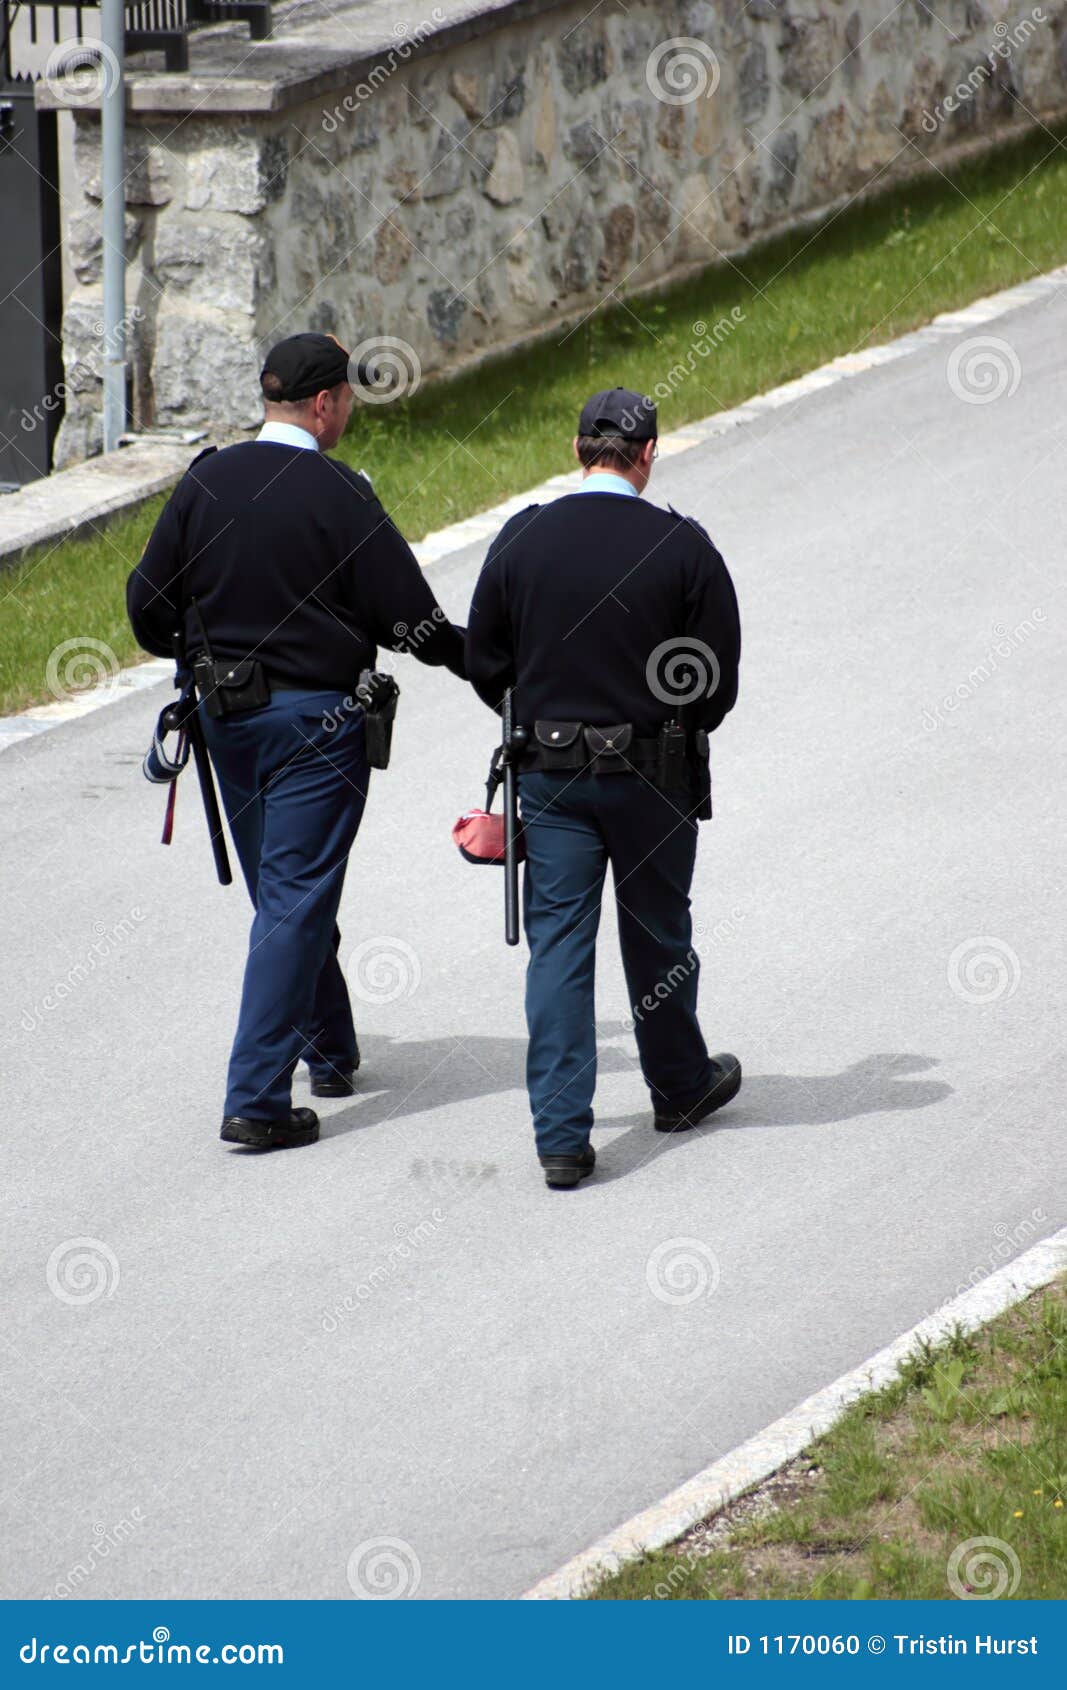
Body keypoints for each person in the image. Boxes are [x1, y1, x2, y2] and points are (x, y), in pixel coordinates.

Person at [127, 331, 466, 1150]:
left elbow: (146, 610)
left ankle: (331, 1048)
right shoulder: (340, 494)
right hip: (316, 729)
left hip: (225, 721)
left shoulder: (206, 480)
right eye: (347, 399)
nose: (347, 411)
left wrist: (208, 652)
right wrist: (489, 662)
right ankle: (255, 1100)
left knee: (285, 892)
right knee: (294, 898)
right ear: (324, 405)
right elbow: (411, 621)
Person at [465, 387, 741, 1189]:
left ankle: (560, 1136)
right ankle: (680, 1086)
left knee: (558, 948)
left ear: (576, 446)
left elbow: (489, 662)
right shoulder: (683, 547)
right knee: (657, 933)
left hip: (551, 776)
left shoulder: (523, 538)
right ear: (648, 453)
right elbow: (714, 683)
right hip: (654, 777)